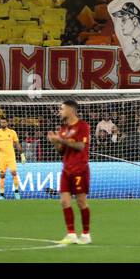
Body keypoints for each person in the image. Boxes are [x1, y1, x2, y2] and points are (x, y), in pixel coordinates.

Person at [48, 99, 91, 244]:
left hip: (80, 169)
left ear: (71, 110)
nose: (59, 111)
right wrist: (56, 142)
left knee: (81, 202)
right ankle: (71, 233)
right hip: (66, 170)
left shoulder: (82, 126)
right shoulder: (63, 129)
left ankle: (86, 234)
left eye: (61, 109)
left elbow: (79, 146)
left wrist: (61, 139)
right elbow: (61, 151)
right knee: (64, 201)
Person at [0, 116, 22, 200]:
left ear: (7, 123)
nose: (3, 124)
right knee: (2, 175)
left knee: (14, 172)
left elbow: (17, 144)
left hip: (11, 157)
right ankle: (1, 195)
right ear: (0, 123)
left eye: (4, 122)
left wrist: (22, 154)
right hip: (1, 158)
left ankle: (16, 192)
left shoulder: (12, 132)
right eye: (1, 122)